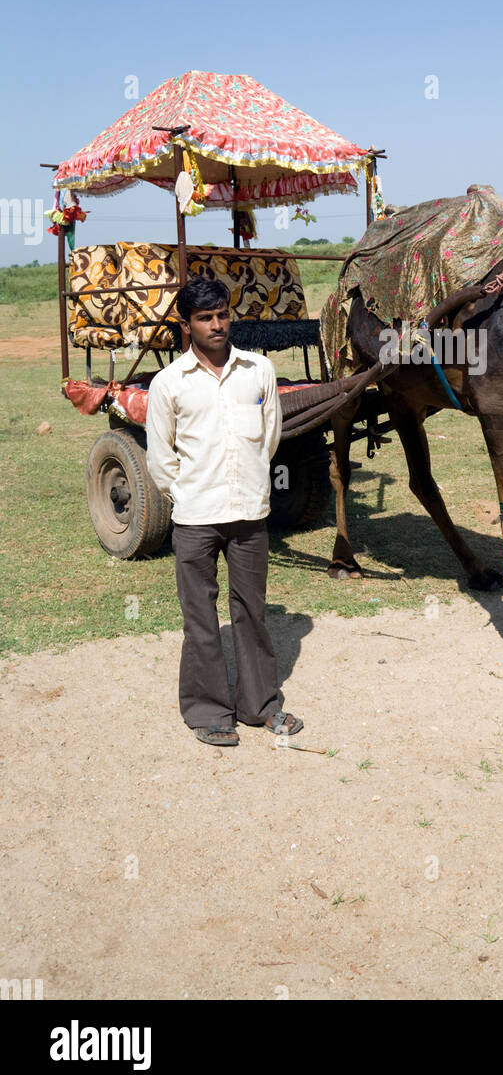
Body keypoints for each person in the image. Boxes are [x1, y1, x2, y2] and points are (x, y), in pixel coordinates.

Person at [145, 277, 303, 746]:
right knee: (200, 616)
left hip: (250, 514)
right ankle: (208, 711)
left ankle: (260, 706)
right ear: (186, 324)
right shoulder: (169, 383)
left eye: (222, 315)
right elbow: (160, 457)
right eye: (204, 318)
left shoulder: (259, 371)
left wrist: (247, 482)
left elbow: (269, 437)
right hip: (195, 518)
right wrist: (191, 495)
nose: (216, 325)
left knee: (251, 611)